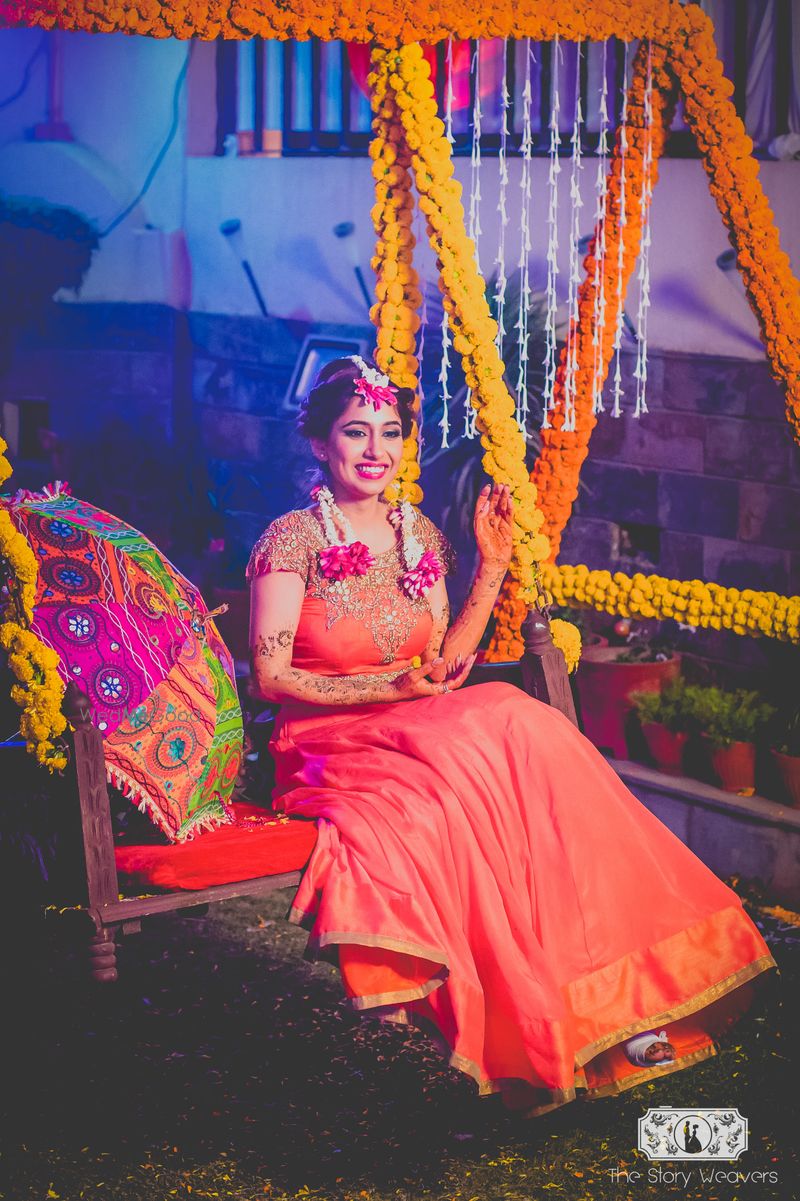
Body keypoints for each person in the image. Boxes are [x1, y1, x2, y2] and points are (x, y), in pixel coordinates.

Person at [247, 355, 777, 1118]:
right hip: (331, 741)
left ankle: (618, 1001)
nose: (375, 449)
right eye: (355, 431)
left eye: (389, 433)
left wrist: (491, 566)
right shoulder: (289, 541)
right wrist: (380, 688)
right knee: (463, 783)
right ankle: (523, 1033)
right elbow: (271, 676)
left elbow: (446, 664)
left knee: (531, 729)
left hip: (416, 717)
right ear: (320, 443)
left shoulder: (416, 531)